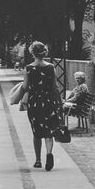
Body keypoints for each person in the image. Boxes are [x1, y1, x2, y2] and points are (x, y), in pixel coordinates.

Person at [21, 41, 63, 171]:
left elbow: (25, 86)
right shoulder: (51, 67)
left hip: (35, 102)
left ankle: (38, 160)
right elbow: (55, 86)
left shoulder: (29, 68)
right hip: (49, 101)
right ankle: (49, 153)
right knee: (49, 129)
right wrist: (58, 103)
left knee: (36, 131)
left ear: (32, 53)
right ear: (44, 52)